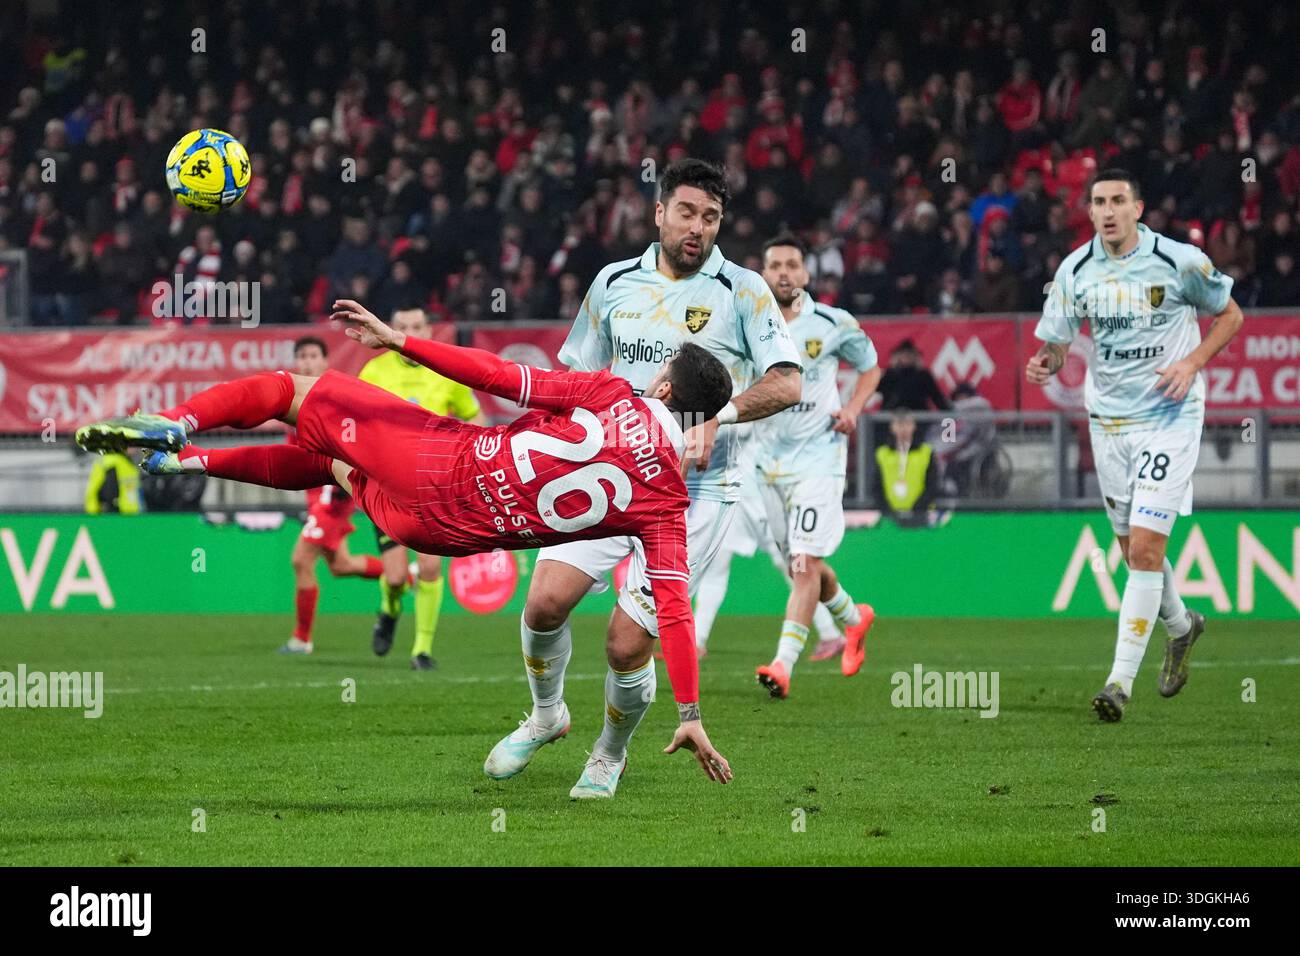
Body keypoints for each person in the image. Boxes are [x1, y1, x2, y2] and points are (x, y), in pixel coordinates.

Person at [74, 299, 735, 793]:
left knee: (293, 392)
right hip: (445, 534)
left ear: (665, 388)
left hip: (441, 464)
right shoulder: (667, 505)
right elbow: (675, 610)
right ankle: (187, 463)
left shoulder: (611, 392)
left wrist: (402, 342)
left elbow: (500, 378)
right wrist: (691, 712)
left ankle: (178, 427)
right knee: (333, 462)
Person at [488, 158, 801, 798]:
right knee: (544, 603)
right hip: (608, 474)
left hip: (696, 496)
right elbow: (576, 372)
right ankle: (547, 715)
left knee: (626, 644)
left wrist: (723, 413)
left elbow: (788, 380)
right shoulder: (611, 283)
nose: (698, 227)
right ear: (659, 212)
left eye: (710, 217)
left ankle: (609, 752)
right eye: (686, 212)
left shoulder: (743, 290)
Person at [1025, 168, 1243, 722]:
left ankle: (1118, 682)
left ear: (1138, 208)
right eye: (1098, 201)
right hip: (1110, 424)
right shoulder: (1075, 269)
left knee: (1145, 549)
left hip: (1170, 416)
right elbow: (1057, 340)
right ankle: (1182, 625)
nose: (1107, 210)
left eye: (1118, 201)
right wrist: (1045, 363)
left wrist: (1192, 363)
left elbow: (1230, 315)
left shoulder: (1179, 261)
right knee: (1130, 552)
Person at [751, 235, 881, 698]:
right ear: (763, 273)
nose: (783, 272)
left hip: (819, 460)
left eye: (792, 265)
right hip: (765, 464)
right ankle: (852, 616)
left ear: (806, 274)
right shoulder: (746, 321)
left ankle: (783, 665)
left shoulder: (832, 322)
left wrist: (854, 408)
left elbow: (871, 367)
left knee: (804, 564)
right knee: (802, 566)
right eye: (775, 265)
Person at [358, 308, 484, 670]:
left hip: (434, 485)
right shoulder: (375, 371)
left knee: (429, 567)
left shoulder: (447, 369)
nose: (407, 333)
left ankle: (422, 650)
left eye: (415, 327)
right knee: (396, 576)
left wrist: (472, 452)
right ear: (389, 329)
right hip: (385, 484)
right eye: (401, 327)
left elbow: (475, 416)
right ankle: (389, 609)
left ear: (428, 330)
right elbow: (355, 419)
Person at [279, 336, 384, 656]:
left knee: (300, 559)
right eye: (302, 356)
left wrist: (342, 486)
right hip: (314, 492)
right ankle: (402, 576)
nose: (308, 362)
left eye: (313, 355)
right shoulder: (293, 396)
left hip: (331, 492)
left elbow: (351, 440)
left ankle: (301, 639)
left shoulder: (333, 396)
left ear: (325, 361)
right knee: (341, 565)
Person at [876, 411, 939, 527]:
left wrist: (918, 508)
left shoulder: (926, 451)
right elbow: (876, 485)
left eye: (907, 424)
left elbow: (932, 484)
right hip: (890, 518)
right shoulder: (882, 453)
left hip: (921, 514)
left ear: (914, 426)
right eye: (899, 424)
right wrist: (887, 510)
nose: (903, 429)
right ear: (892, 427)